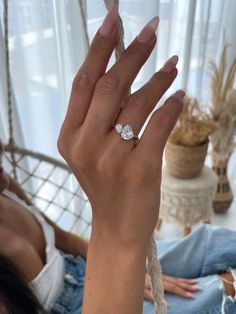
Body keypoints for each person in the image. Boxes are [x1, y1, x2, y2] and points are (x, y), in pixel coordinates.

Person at [0, 5, 236, 314]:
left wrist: (124, 264)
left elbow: (62, 238)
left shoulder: (4, 184)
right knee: (222, 295)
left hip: (84, 264)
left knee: (214, 242)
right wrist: (117, 244)